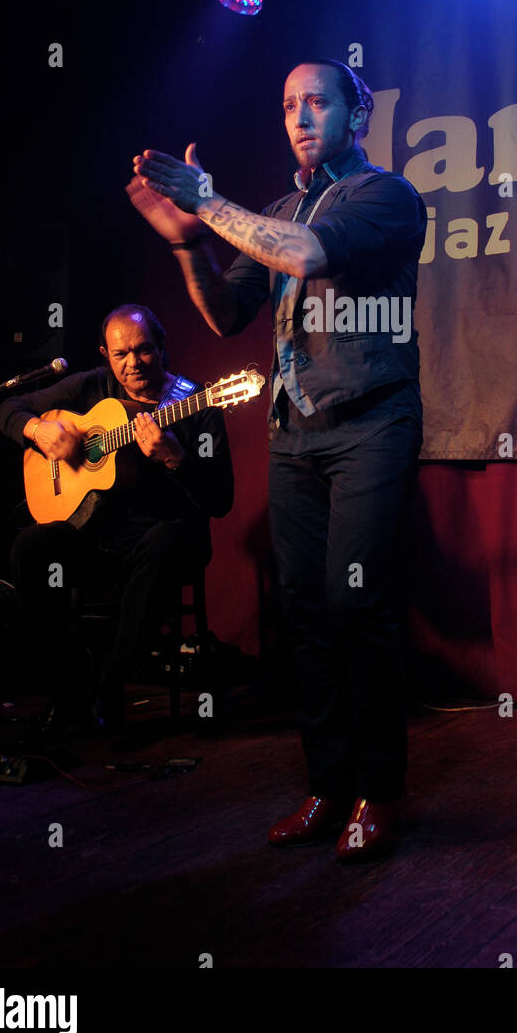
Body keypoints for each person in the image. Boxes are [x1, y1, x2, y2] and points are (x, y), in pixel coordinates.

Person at [127, 60, 426, 861]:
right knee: (303, 610)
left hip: (371, 422)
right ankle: (327, 784)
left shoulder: (385, 196)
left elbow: (304, 255)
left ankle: (380, 792)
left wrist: (207, 203)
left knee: (354, 603)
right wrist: (188, 245)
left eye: (317, 102)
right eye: (289, 104)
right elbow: (226, 315)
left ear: (355, 114)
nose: (299, 116)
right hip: (294, 431)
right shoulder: (275, 209)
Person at [0, 304, 233, 733]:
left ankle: (110, 684)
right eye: (121, 354)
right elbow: (9, 408)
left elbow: (221, 500)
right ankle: (68, 688)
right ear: (106, 354)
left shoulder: (197, 405)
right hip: (98, 535)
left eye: (143, 350)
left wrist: (176, 459)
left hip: (167, 539)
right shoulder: (91, 386)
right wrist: (39, 431)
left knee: (165, 542)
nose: (133, 363)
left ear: (161, 346)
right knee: (32, 546)